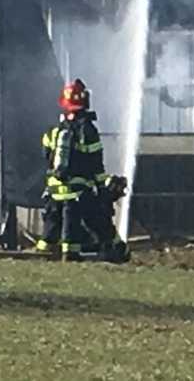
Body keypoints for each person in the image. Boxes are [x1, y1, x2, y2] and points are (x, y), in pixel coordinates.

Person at [37, 79, 127, 261]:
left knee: (51, 229)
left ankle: (41, 254)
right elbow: (96, 163)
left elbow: (46, 155)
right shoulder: (88, 131)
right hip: (76, 192)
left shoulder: (55, 130)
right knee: (87, 223)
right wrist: (103, 187)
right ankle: (108, 250)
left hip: (54, 192)